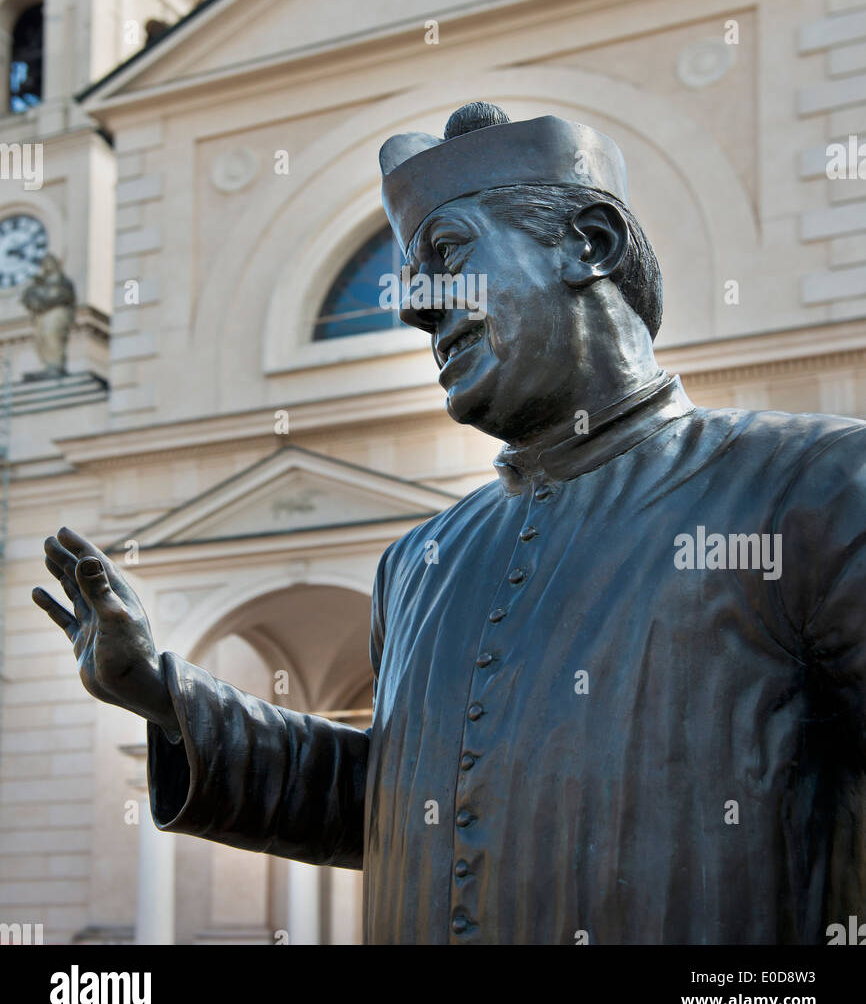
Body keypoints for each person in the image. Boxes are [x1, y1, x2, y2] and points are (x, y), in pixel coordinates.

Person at [36, 102, 866, 944]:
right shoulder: (419, 563)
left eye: (447, 255)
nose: (413, 309)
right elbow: (390, 803)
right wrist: (166, 697)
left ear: (591, 243)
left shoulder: (817, 485)